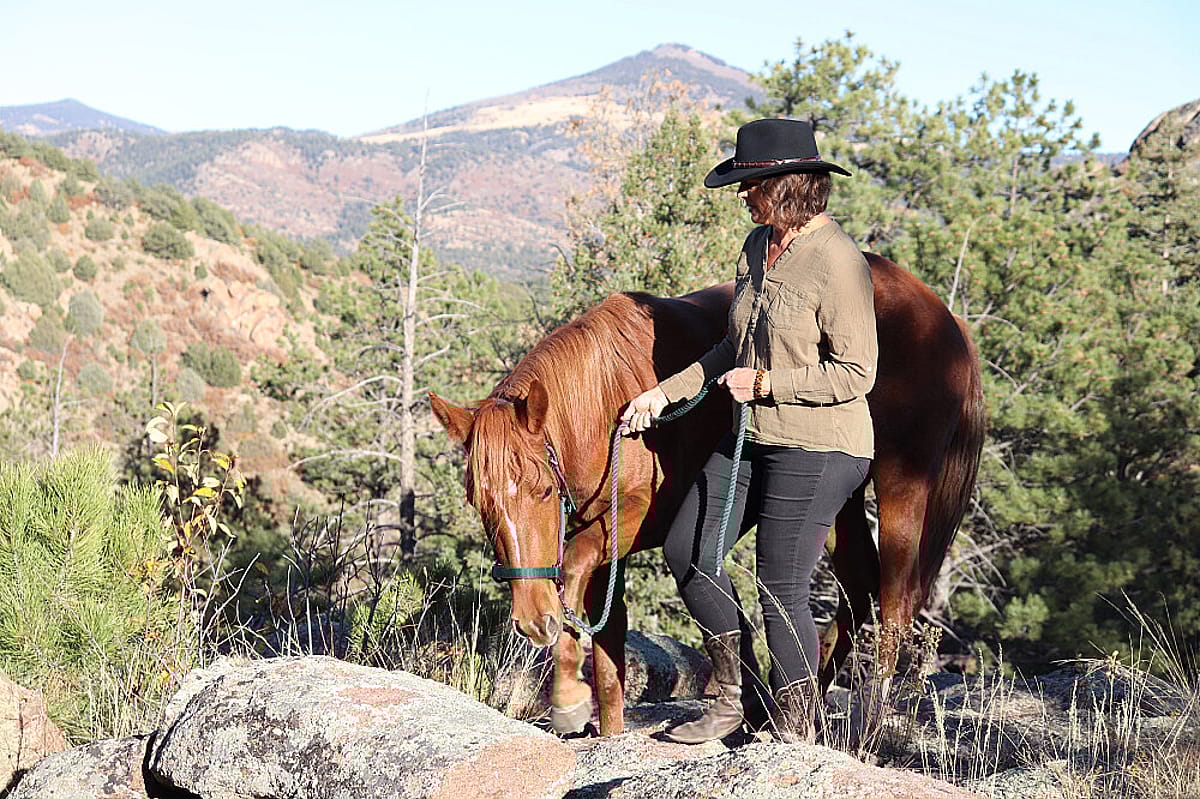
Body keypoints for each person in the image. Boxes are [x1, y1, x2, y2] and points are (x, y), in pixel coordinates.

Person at [621, 118, 878, 744]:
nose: (741, 195)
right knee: (689, 552)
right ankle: (738, 698)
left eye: (749, 185)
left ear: (785, 186)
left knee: (780, 583)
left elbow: (856, 373)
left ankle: (797, 733)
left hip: (820, 443)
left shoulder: (838, 262)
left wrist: (767, 386)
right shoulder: (758, 245)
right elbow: (730, 348)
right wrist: (662, 394)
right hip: (752, 436)